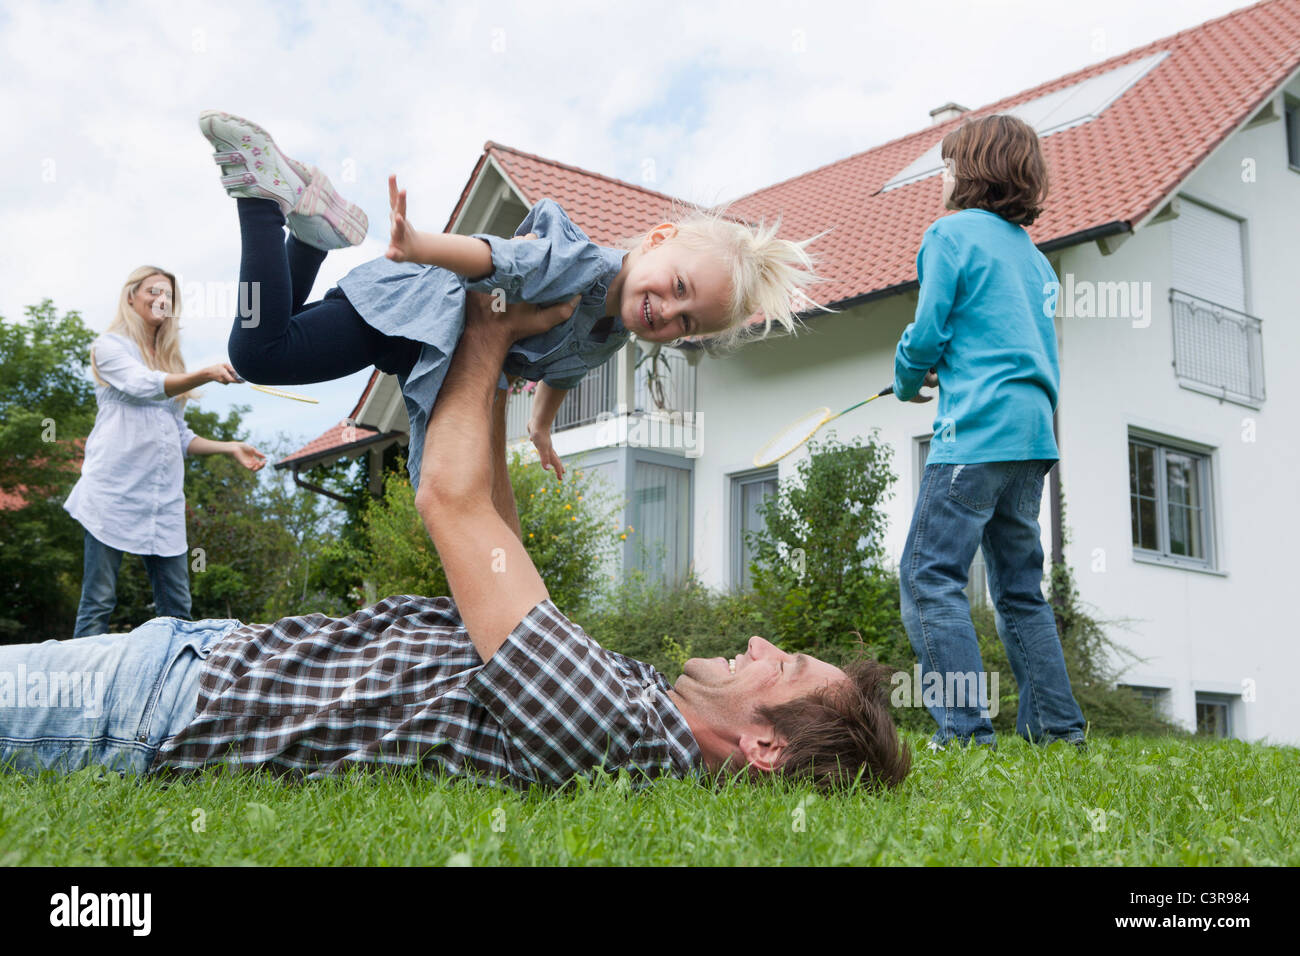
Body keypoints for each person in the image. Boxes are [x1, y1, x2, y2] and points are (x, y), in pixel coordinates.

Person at [2, 293, 912, 794]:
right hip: (192, 660)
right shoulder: (638, 702)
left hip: (153, 706)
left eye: (783, 665)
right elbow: (506, 562)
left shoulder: (617, 733)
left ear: (765, 748)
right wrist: (506, 387)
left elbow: (448, 502)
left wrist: (488, 336)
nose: (759, 642)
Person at [197, 110, 823, 490]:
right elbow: (497, 255)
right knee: (258, 354)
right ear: (659, 241)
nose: (669, 311)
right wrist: (422, 244)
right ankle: (260, 193)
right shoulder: (580, 263)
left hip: (412, 349)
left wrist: (544, 428)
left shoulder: (614, 334)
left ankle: (311, 234)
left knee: (274, 335)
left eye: (687, 322)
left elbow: (563, 373)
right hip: (404, 310)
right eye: (679, 287)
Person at [892, 114, 1087, 750]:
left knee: (931, 578)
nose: (940, 180)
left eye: (947, 166)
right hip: (1032, 442)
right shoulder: (1035, 261)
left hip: (974, 439)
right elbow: (1008, 340)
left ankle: (966, 732)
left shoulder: (948, 235)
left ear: (970, 173)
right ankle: (1059, 732)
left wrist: (907, 374)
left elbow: (928, 331)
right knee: (1020, 591)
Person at [63, 266, 268, 639]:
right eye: (153, 291)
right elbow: (146, 386)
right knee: (99, 602)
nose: (162, 299)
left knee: (178, 609)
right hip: (113, 494)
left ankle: (176, 694)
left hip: (163, 502)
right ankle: (81, 692)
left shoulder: (171, 361)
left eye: (169, 296)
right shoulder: (110, 346)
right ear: (131, 297)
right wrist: (205, 375)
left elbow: (179, 435)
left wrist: (229, 447)